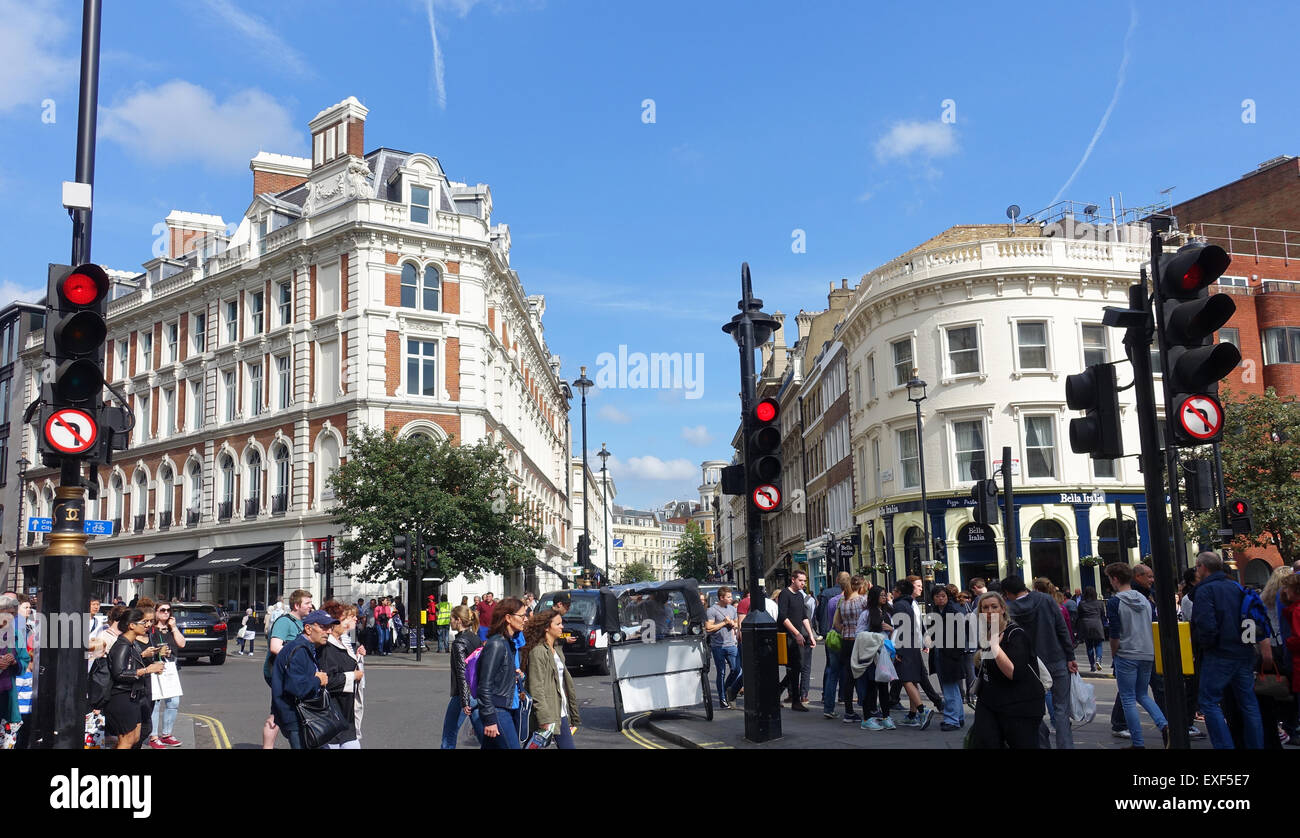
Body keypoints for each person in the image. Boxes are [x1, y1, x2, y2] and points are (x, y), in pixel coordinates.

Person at [1192, 551, 1264, 749]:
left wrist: (1206, 646)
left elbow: (1206, 625)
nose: (1196, 571)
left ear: (1203, 567)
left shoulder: (1205, 590)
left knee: (1208, 702)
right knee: (1248, 702)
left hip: (1220, 653)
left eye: (1197, 567)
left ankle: (1224, 746)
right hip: (1244, 651)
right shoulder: (1236, 586)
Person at [1002, 575, 1076, 749]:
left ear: (1007, 593)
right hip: (1056, 659)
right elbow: (1061, 628)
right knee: (1061, 710)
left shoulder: (1009, 609)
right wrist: (1070, 657)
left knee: (1033, 711)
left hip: (1030, 666)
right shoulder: (1046, 600)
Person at [1106, 563, 1169, 749]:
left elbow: (1115, 634)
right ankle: (1164, 725)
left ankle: (1138, 743)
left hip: (1127, 653)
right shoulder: (1145, 600)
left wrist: (1114, 653)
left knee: (1128, 698)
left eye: (1110, 578)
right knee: (1143, 694)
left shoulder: (1115, 602)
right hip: (1147, 653)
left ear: (1115, 579)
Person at [970, 592, 1045, 749]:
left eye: (994, 606)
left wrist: (996, 647)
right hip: (990, 702)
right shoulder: (988, 633)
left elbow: (1013, 673)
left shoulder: (1015, 634)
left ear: (1003, 609)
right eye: (985, 608)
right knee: (983, 742)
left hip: (1019, 705)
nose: (989, 611)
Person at [270, 609, 337, 749]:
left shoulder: (307, 647)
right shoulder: (298, 650)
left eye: (330, 627)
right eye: (323, 627)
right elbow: (297, 687)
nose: (329, 631)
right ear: (308, 628)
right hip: (297, 718)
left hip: (303, 716)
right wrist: (319, 680)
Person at [105, 608, 165, 749]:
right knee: (126, 741)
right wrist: (146, 670)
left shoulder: (131, 644)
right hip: (121, 697)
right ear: (132, 625)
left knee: (135, 738)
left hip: (133, 696)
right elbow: (119, 673)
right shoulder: (122, 645)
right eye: (143, 622)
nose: (147, 625)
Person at [263, 589, 314, 748]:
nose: (310, 606)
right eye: (307, 603)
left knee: (278, 713)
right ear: (297, 605)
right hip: (282, 675)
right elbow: (275, 647)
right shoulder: (284, 622)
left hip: (294, 675)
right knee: (278, 714)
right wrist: (297, 658)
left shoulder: (303, 623)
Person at [523, 609, 581, 748]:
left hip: (559, 711)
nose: (562, 627)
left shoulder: (556, 649)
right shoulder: (538, 652)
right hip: (547, 714)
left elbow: (563, 683)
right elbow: (536, 688)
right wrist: (544, 719)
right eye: (558, 624)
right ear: (547, 628)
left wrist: (572, 713)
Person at [477, 597, 528, 748]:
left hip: (507, 708)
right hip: (498, 710)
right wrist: (490, 719)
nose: (525, 619)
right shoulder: (497, 644)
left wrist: (515, 674)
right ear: (508, 618)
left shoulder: (508, 643)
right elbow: (484, 684)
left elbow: (500, 675)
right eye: (522, 616)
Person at [317, 601, 363, 749]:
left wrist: (358, 658)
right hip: (333, 714)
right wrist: (353, 676)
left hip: (346, 715)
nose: (355, 619)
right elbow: (327, 680)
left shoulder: (343, 641)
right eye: (348, 617)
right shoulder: (326, 647)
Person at [889, 576, 933, 729]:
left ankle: (922, 710)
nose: (892, 593)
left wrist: (899, 650)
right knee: (913, 679)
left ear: (899, 592)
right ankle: (912, 715)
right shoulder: (909, 604)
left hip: (905, 646)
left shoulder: (899, 605)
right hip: (913, 644)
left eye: (894, 591)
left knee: (905, 679)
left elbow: (901, 629)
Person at [441, 606, 485, 748]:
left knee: (449, 734)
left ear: (458, 620)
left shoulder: (459, 643)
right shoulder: (475, 638)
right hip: (476, 692)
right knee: (483, 734)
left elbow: (462, 672)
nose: (450, 622)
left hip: (463, 695)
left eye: (452, 619)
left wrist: (464, 701)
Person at [145, 601, 186, 749]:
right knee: (156, 704)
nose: (166, 613)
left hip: (171, 669)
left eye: (169, 610)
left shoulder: (171, 629)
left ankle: (167, 734)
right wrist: (158, 651)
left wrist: (174, 627)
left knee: (173, 703)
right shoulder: (150, 629)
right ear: (156, 611)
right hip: (156, 668)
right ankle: (153, 736)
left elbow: (182, 644)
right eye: (162, 610)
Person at [856, 585, 897, 730]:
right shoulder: (866, 614)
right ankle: (867, 718)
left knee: (884, 685)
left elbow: (894, 632)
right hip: (872, 654)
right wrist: (876, 636)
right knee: (871, 686)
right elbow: (859, 634)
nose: (884, 598)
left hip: (885, 653)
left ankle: (886, 716)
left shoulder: (888, 612)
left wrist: (891, 630)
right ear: (874, 597)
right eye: (881, 595)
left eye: (885, 595)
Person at [776, 570, 815, 711]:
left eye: (804, 581)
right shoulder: (785, 594)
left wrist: (810, 634)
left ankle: (786, 694)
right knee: (795, 667)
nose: (803, 583)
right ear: (793, 579)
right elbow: (783, 617)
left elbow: (804, 617)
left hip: (799, 637)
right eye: (801, 580)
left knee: (798, 667)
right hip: (788, 637)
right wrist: (796, 633)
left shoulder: (799, 596)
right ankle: (794, 699)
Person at [930, 586, 967, 731]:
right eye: (938, 596)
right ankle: (958, 717)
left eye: (943, 596)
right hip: (941, 654)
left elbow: (959, 637)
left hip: (949, 656)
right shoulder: (936, 612)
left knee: (949, 688)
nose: (941, 598)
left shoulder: (952, 613)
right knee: (952, 688)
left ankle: (952, 719)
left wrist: (955, 655)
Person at [820, 572, 852, 719]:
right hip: (845, 638)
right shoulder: (849, 600)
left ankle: (828, 707)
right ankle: (848, 705)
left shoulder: (832, 600)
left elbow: (828, 618)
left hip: (832, 638)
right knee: (848, 673)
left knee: (832, 673)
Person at [705, 586, 742, 710]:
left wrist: (733, 623)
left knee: (737, 669)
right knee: (721, 672)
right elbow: (709, 628)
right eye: (729, 597)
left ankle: (726, 689)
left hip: (731, 644)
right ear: (721, 598)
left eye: (731, 597)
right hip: (718, 646)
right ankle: (722, 699)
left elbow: (737, 623)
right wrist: (724, 623)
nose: (731, 599)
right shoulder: (712, 610)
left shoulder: (732, 609)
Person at [1077, 587, 1107, 672]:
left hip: (1086, 625)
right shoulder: (1099, 603)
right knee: (1098, 644)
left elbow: (1079, 615)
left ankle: (1092, 665)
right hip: (1097, 624)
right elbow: (1102, 615)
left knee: (1089, 646)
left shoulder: (1082, 604)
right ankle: (1098, 659)